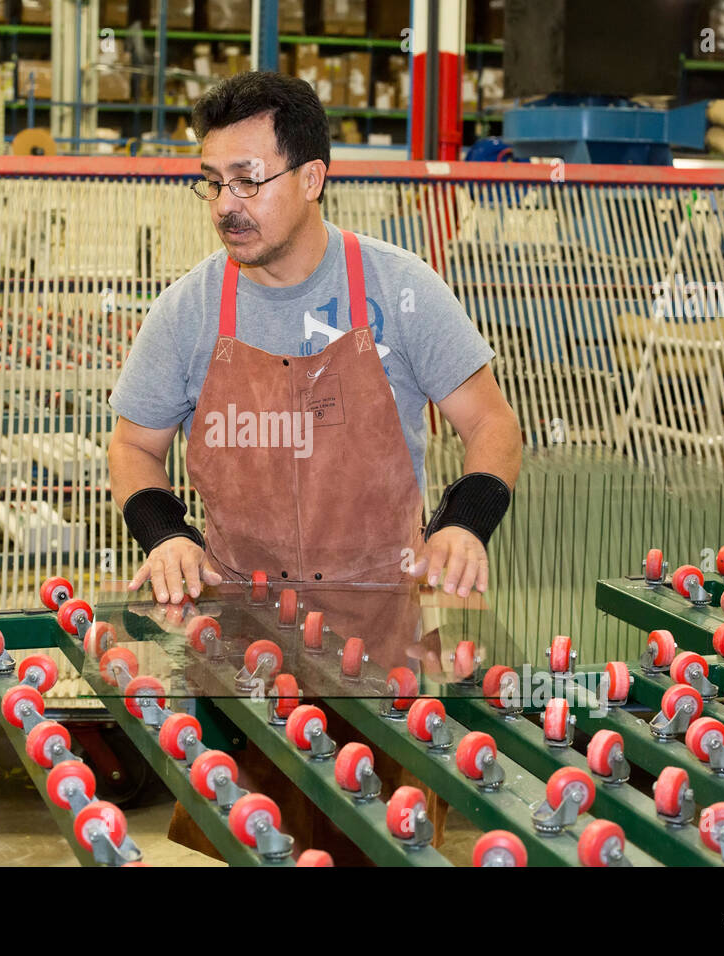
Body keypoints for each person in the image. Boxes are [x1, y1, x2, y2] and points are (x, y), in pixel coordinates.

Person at [106, 71, 522, 862]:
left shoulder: (398, 292)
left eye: (248, 180)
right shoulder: (190, 310)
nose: (227, 204)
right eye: (212, 182)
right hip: (241, 644)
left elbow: (492, 423)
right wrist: (164, 534)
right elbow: (133, 445)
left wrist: (465, 525)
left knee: (386, 840)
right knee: (254, 838)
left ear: (313, 177)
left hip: (382, 638)